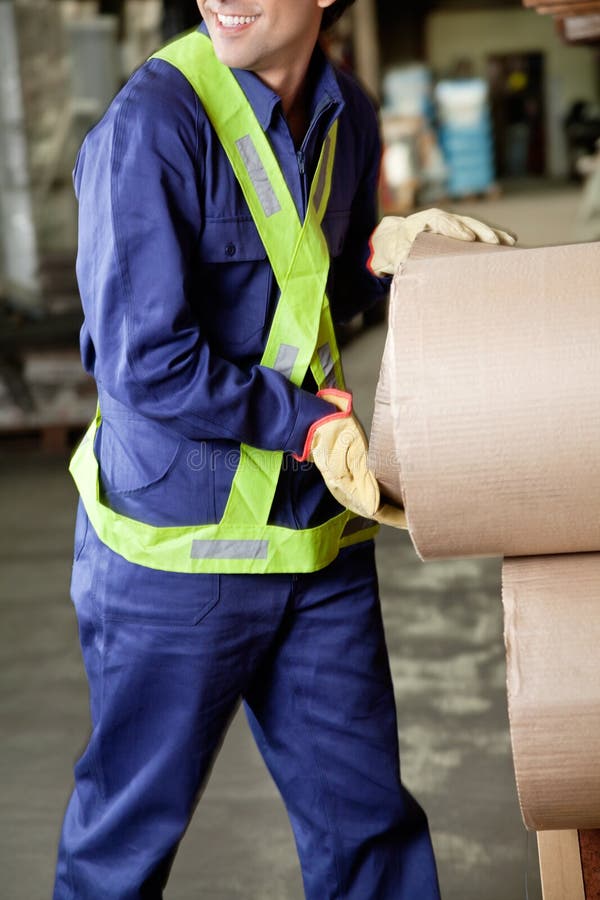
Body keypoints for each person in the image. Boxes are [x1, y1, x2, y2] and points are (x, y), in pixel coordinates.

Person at [53, 2, 513, 897]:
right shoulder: (152, 126)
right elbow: (143, 362)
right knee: (123, 848)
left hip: (313, 542)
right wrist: (304, 423)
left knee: (368, 832)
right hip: (177, 556)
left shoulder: (349, 112)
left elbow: (311, 289)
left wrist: (383, 253)